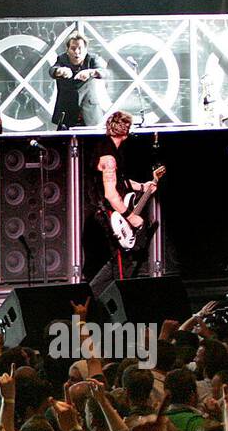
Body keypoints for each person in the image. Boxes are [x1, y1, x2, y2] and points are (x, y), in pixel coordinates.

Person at [85, 111, 159, 308]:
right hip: (110, 213)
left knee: (121, 257)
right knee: (121, 261)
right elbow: (110, 194)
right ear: (124, 130)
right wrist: (130, 216)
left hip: (112, 211)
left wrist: (143, 187)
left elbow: (121, 182)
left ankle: (91, 297)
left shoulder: (113, 151)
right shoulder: (108, 157)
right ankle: (119, 304)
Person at [49, 33, 109, 129]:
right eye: (73, 48)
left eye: (80, 48)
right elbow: (52, 70)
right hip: (67, 111)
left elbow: (104, 72)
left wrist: (90, 72)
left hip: (89, 112)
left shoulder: (92, 59)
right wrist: (60, 71)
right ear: (67, 50)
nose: (77, 52)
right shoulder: (62, 59)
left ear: (85, 49)